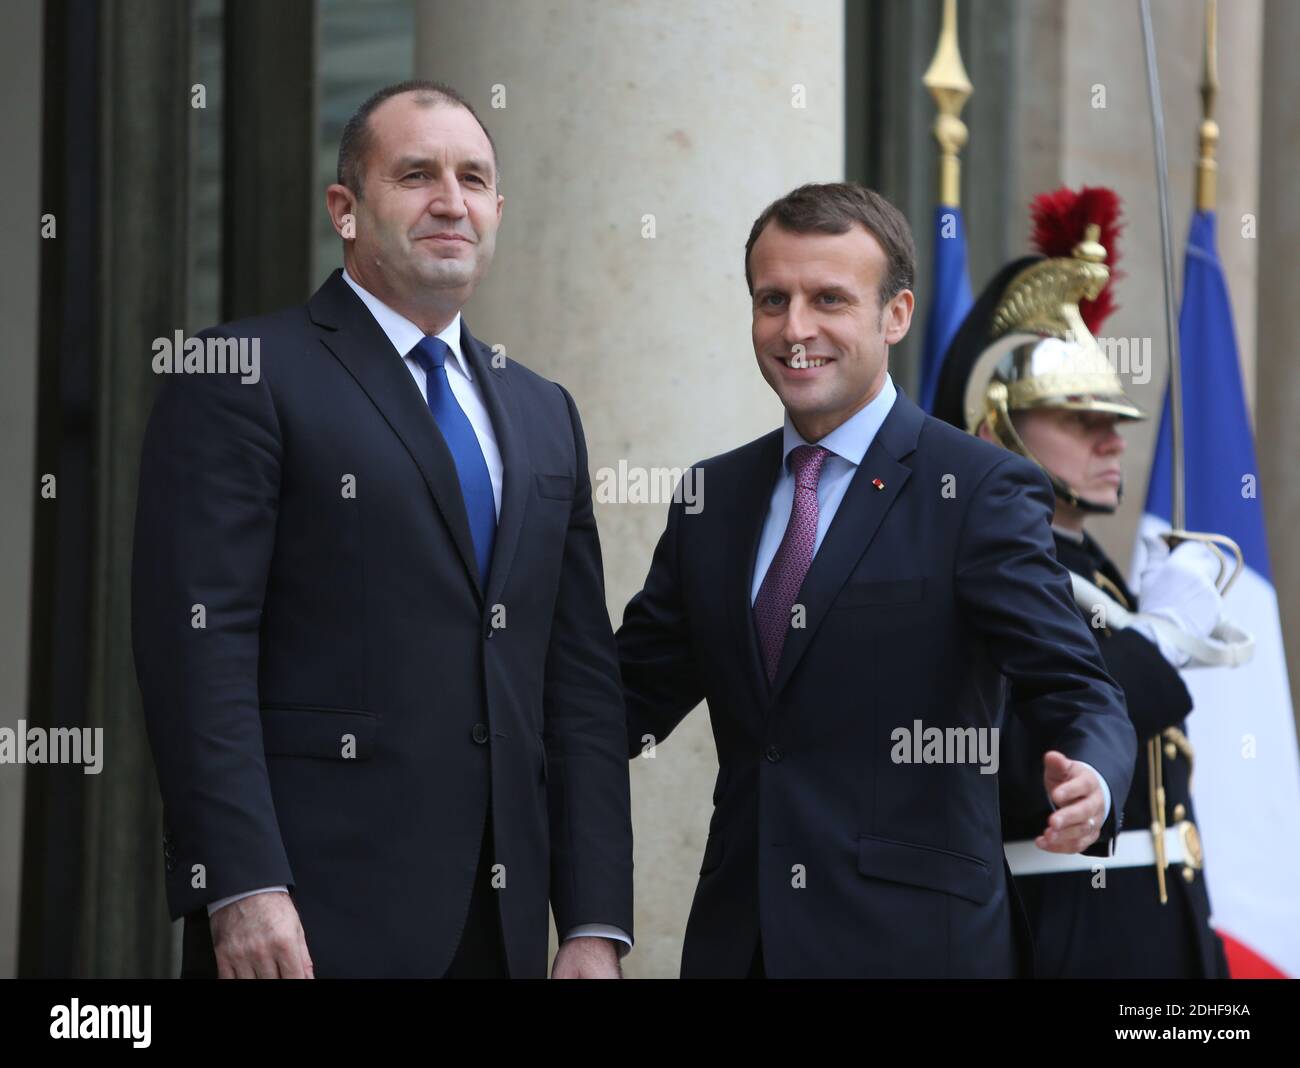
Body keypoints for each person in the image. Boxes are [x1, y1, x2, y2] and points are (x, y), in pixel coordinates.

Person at [131, 80, 632, 979]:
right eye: (416, 175)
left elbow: (580, 686)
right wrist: (240, 883)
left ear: (497, 209)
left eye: (473, 178)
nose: (452, 201)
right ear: (346, 209)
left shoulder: (544, 410)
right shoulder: (241, 376)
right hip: (310, 923)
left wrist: (593, 924)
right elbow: (196, 653)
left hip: (503, 931)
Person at [615, 182, 1136, 978]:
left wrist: (1092, 779)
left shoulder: (979, 489)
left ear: (896, 316)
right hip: (741, 946)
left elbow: (1079, 686)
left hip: (920, 948)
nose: (795, 329)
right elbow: (621, 703)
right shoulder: (710, 498)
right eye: (771, 299)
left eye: (830, 299)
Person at [933, 185, 1230, 978]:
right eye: (1079, 420)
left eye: (1116, 423)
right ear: (998, 425)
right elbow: (1018, 766)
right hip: (1063, 934)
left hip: (1162, 931)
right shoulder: (975, 575)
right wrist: (1156, 642)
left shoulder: (1093, 573)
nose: (1111, 443)